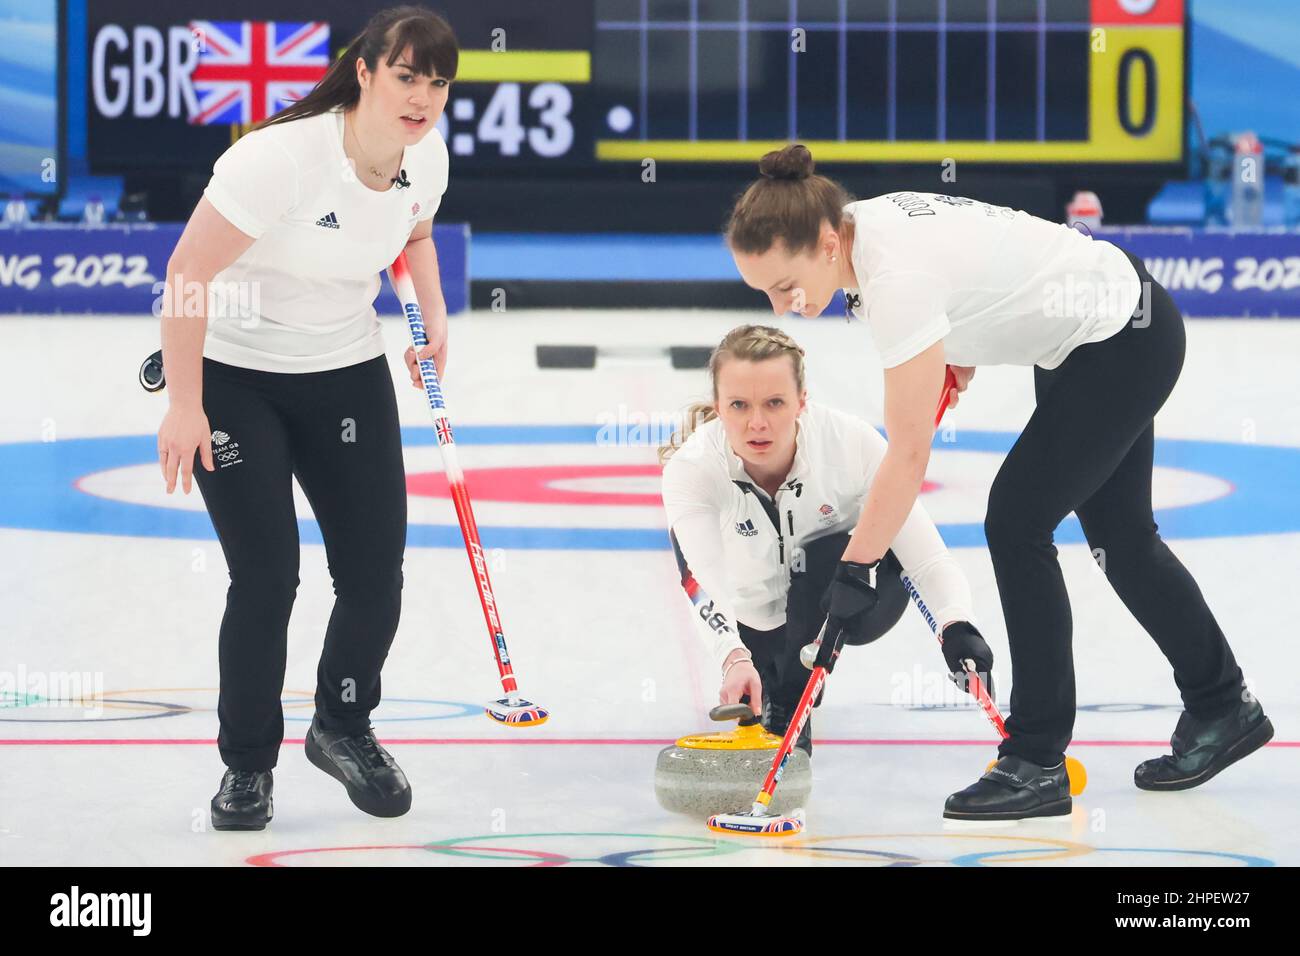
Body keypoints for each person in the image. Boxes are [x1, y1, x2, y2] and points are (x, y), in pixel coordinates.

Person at [725, 144, 1272, 821]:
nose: (784, 305)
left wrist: (857, 565)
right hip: (1101, 332)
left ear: (827, 242)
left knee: (1016, 521)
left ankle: (1037, 758)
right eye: (767, 295)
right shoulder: (862, 237)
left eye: (786, 285)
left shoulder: (892, 277)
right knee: (1122, 538)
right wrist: (956, 359)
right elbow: (972, 290)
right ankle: (1223, 706)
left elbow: (907, 456)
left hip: (1121, 339)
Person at [155, 6, 459, 830]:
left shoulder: (422, 157)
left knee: (374, 578)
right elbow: (186, 272)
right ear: (364, 72)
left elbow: (415, 232)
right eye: (406, 75)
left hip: (345, 371)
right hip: (235, 377)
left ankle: (342, 723)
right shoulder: (281, 158)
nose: (421, 96)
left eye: (436, 82)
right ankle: (247, 765)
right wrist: (185, 403)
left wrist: (432, 317)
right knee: (266, 579)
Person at [660, 324, 987, 755]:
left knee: (822, 556)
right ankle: (773, 680)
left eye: (775, 403)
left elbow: (925, 558)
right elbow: (704, 580)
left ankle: (797, 701)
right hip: (751, 614)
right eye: (739, 405)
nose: (757, 423)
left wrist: (956, 624)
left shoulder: (850, 445)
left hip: (853, 594)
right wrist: (732, 657)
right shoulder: (694, 468)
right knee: (757, 670)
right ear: (719, 408)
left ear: (802, 401)